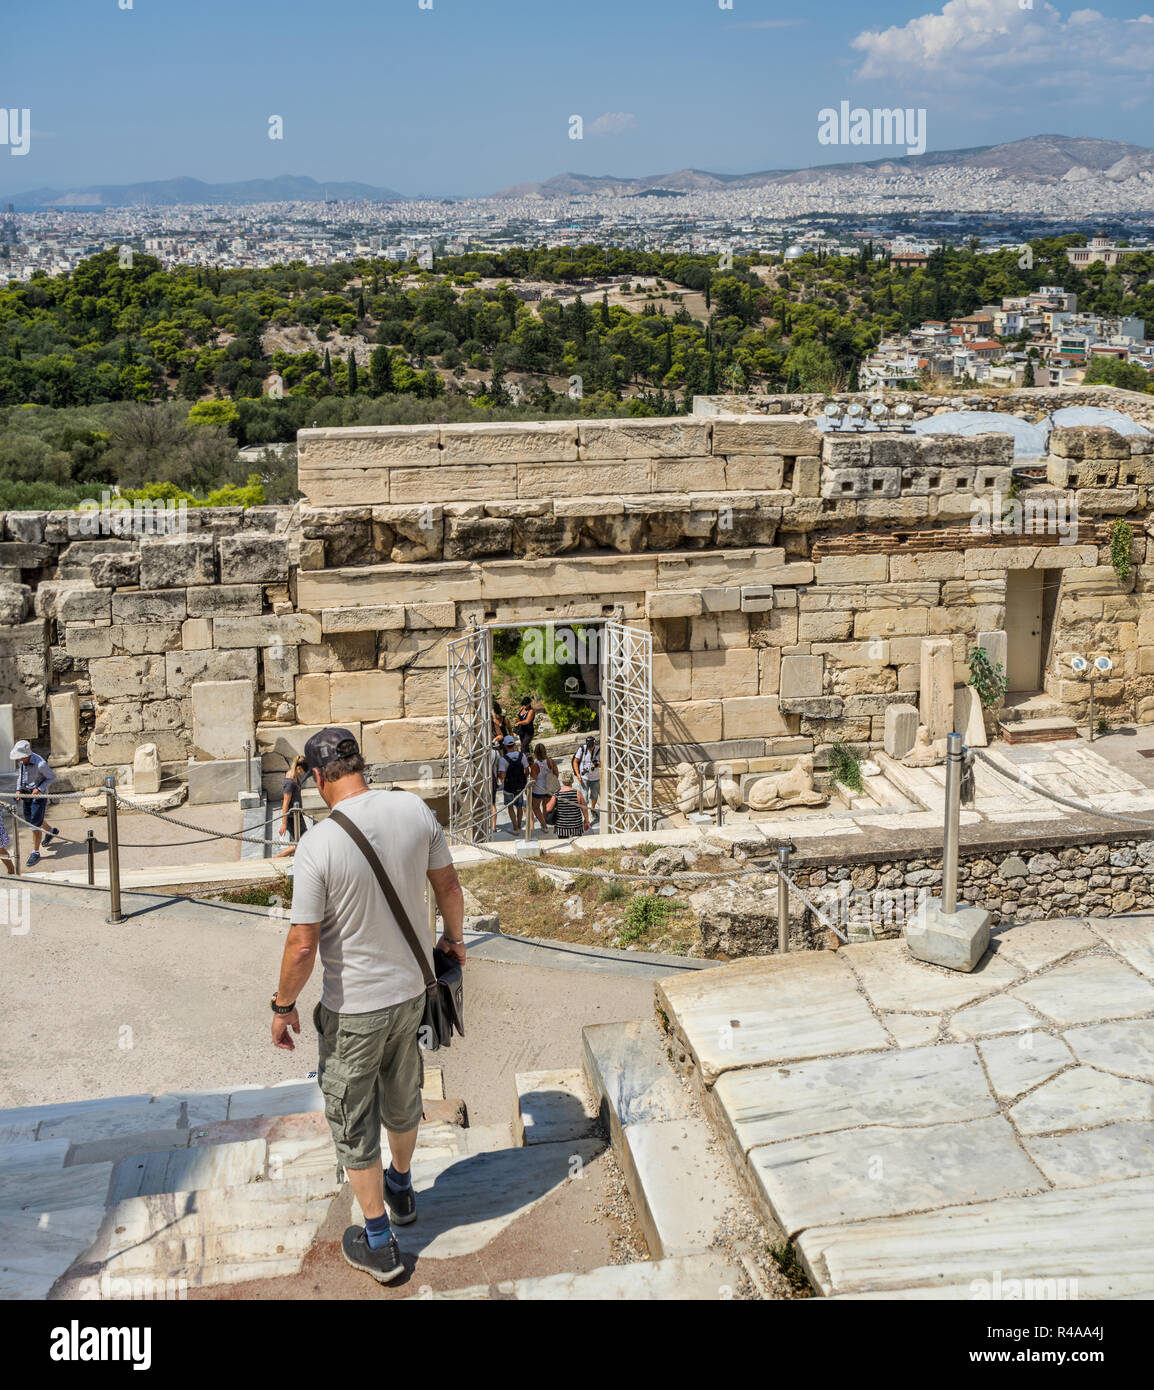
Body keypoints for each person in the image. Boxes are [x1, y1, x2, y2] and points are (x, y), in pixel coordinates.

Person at [270, 727, 466, 1286]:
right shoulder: (413, 810)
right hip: (414, 995)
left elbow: (303, 944)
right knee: (404, 1095)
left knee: (353, 1120)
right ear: (360, 762)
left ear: (313, 776)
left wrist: (283, 1006)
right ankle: (401, 1188)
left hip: (354, 1007)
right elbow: (449, 886)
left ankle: (379, 1242)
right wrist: (452, 940)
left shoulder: (318, 845)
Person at [10, 740, 59, 868]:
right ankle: (51, 831)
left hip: (38, 795)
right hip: (27, 794)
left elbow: (52, 777)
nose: (18, 760)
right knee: (32, 819)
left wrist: (39, 789)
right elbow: (20, 776)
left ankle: (35, 852)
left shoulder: (41, 764)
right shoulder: (22, 762)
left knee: (34, 824)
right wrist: (18, 789)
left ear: (27, 754)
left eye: (20, 757)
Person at [275, 757, 311, 859]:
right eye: (303, 771)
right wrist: (284, 823)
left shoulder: (294, 776)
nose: (303, 773)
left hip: (297, 814)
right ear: (299, 768)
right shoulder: (289, 782)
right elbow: (285, 803)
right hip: (292, 817)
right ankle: (277, 858)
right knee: (300, 842)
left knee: (301, 841)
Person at [496, 733, 529, 834]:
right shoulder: (521, 755)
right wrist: (523, 779)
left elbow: (502, 775)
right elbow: (526, 769)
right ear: (514, 744)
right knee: (519, 806)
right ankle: (519, 825)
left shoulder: (503, 759)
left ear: (505, 746)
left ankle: (515, 827)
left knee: (510, 807)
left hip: (509, 787)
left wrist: (503, 782)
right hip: (520, 785)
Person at [546, 769, 590, 839]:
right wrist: (587, 821)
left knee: (564, 846)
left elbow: (548, 808)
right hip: (576, 825)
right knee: (577, 843)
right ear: (572, 780)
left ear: (562, 781)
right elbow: (584, 809)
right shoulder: (577, 793)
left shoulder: (557, 794)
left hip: (561, 826)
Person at [529, 742, 559, 834]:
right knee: (545, 807)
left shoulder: (535, 765)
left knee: (535, 808)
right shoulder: (551, 761)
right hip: (548, 789)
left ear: (535, 753)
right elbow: (556, 773)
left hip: (538, 790)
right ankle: (545, 822)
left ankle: (544, 826)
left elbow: (533, 779)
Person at [573, 735, 601, 817]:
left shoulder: (599, 750)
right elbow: (575, 761)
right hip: (584, 778)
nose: (590, 749)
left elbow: (603, 764)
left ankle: (592, 809)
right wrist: (578, 775)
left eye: (591, 747)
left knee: (594, 796)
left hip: (595, 778)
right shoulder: (582, 749)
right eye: (589, 747)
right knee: (584, 798)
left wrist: (598, 764)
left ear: (594, 744)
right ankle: (585, 816)